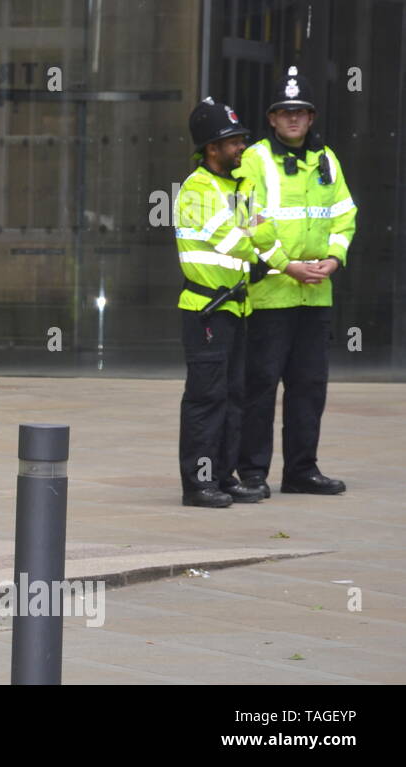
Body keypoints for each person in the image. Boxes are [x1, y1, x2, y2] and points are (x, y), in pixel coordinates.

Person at [237, 66, 357, 497]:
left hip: (316, 292)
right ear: (271, 117)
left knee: (309, 387)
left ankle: (302, 470)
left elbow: (344, 213)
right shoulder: (255, 158)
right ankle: (251, 472)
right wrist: (287, 265)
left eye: (300, 112)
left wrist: (334, 257)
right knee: (261, 386)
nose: (293, 119)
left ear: (311, 117)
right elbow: (248, 220)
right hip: (271, 292)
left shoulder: (326, 159)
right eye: (285, 112)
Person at [174, 98, 275, 507]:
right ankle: (198, 484)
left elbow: (261, 237)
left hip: (235, 307)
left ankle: (223, 475)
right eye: (233, 142)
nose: (241, 148)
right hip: (207, 311)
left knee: (234, 396)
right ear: (211, 148)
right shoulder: (197, 190)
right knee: (206, 400)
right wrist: (264, 239)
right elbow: (243, 243)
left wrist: (263, 239)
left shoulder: (236, 188)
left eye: (242, 141)